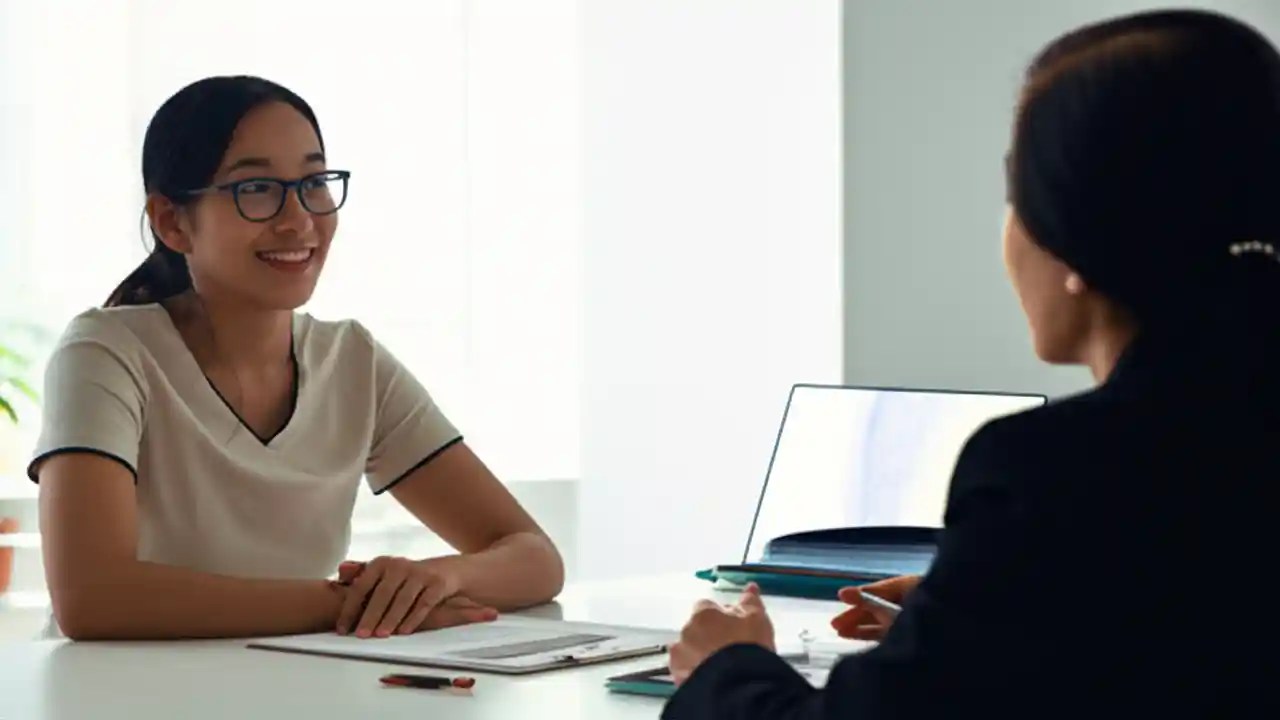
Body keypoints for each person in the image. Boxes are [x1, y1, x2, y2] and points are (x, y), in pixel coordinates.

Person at [664, 9, 1277, 717]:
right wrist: (979, 613)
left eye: (1015, 197)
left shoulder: (1050, 473)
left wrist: (725, 670)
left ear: (1072, 232)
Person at [29, 75, 564, 641]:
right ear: (172, 221)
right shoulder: (106, 352)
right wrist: (346, 605)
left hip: (299, 681)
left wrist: (433, 581)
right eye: (256, 188)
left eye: (313, 182)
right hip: (119, 687)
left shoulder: (353, 362)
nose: (299, 219)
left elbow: (535, 558)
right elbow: (93, 598)